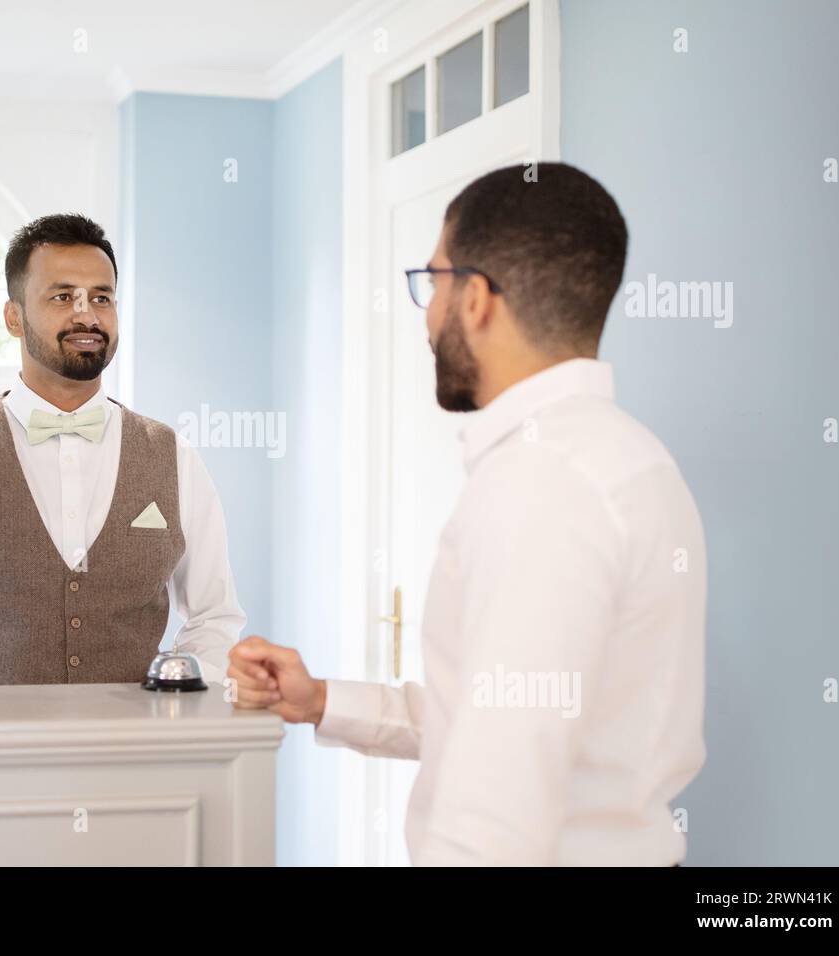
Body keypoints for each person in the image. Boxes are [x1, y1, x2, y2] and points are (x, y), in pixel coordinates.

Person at [229, 163, 707, 866]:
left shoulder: (542, 485)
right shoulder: (632, 459)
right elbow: (495, 716)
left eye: (432, 282)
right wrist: (322, 699)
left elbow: (491, 820)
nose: (426, 316)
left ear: (476, 298)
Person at [0, 213, 244, 688]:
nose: (86, 315)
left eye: (101, 297)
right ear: (14, 317)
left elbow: (215, 617)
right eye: (62, 297)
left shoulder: (172, 457)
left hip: (137, 757)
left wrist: (180, 702)